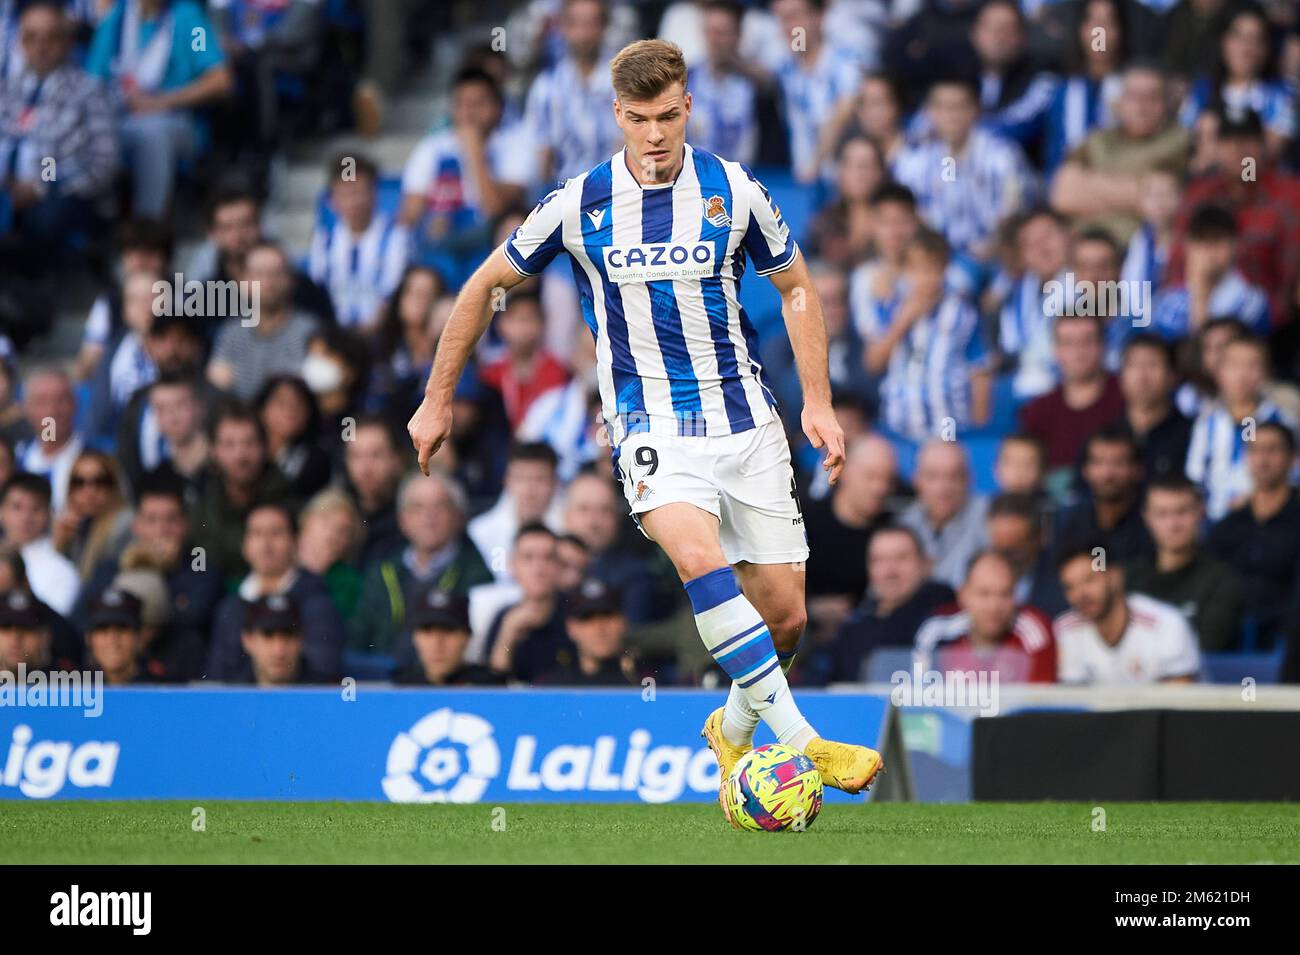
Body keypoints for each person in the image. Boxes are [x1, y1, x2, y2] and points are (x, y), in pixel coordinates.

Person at [408, 38, 880, 806]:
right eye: (639, 118)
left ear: (688, 105)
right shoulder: (579, 203)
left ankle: (731, 730)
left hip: (746, 417)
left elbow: (797, 290)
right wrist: (437, 397)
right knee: (700, 559)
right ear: (617, 114)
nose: (656, 134)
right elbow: (482, 285)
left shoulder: (734, 189)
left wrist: (818, 400)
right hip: (647, 422)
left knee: (786, 619)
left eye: (668, 115)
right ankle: (806, 742)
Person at [0, 1, 117, 265]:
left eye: (50, 37)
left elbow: (104, 165)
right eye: (31, 38)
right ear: (20, 43)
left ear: (67, 41)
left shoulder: (89, 91)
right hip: (6, 190)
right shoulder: (6, 90)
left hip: (60, 194)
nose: (40, 47)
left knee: (47, 217)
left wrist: (42, 186)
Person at [861, 228, 992, 440]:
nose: (926, 279)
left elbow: (979, 371)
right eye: (917, 270)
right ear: (904, 270)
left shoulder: (963, 312)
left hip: (950, 424)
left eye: (933, 269)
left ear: (945, 269)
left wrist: (979, 426)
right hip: (900, 423)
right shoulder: (888, 307)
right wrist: (904, 319)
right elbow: (873, 363)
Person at [349, 470, 492, 655]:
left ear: (458, 516)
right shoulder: (382, 570)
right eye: (417, 507)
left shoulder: (477, 573)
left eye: (439, 506)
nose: (428, 517)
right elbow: (358, 638)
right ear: (402, 519)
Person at [207, 502, 345, 682]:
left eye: (276, 533)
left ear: (294, 542)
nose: (266, 544)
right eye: (257, 533)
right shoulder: (231, 606)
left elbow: (323, 668)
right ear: (244, 545)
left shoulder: (318, 600)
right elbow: (217, 674)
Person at [1206, 420, 1300, 649]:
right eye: (1254, 450)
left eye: (1273, 450)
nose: (1263, 460)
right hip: (1228, 640)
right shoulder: (1226, 527)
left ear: (1293, 459)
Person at [1054, 540, 1201, 684]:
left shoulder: (1165, 624)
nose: (1080, 594)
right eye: (1070, 587)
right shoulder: (1063, 631)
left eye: (1090, 580)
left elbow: (1180, 701)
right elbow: (1066, 701)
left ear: (1115, 577)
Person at [1126, 474, 1243, 652]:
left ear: (1201, 512)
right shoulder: (1130, 578)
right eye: (1162, 514)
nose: (1173, 525)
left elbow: (1208, 646)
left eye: (1182, 512)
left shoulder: (1221, 580)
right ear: (1147, 518)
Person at [825, 524, 955, 683]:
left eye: (901, 558)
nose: (890, 571)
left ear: (925, 564)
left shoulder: (946, 616)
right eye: (879, 561)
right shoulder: (852, 630)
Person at [1186, 334, 1294, 520]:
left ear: (1266, 373)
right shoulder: (1207, 423)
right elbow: (1195, 476)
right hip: (1215, 523)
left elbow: (1294, 472)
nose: (1242, 375)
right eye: (1234, 365)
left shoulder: (1280, 420)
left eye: (1252, 366)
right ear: (1219, 372)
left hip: (1268, 518)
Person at [915, 550, 1056, 683]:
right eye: (984, 594)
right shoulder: (936, 632)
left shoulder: (1035, 632)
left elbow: (1040, 702)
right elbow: (920, 698)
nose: (994, 606)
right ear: (962, 595)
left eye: (1004, 594)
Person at [1018, 314, 1126, 485]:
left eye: (1087, 341)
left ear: (1103, 345)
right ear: (1055, 350)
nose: (1079, 352)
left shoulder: (1128, 398)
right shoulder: (1038, 411)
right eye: (1068, 343)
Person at [206, 241, 320, 402]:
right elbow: (218, 384)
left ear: (291, 280)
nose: (268, 282)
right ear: (242, 282)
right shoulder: (230, 332)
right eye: (259, 274)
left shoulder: (311, 331)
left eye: (276, 273)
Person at [309, 152, 409, 330]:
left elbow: (392, 294)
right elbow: (318, 290)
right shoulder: (323, 240)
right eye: (346, 194)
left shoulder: (396, 237)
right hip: (334, 333)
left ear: (374, 194)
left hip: (381, 334)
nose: (355, 201)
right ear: (333, 200)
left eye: (360, 192)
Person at [1151, 203, 1270, 340]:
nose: (1209, 249)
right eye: (1201, 240)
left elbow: (1213, 355)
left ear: (1235, 245)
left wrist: (1200, 295)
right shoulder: (1167, 302)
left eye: (1217, 239)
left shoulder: (1252, 301)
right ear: (1187, 246)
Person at [1055, 426, 1154, 566]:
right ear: (1085, 470)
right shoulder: (1069, 520)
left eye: (1118, 463)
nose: (1107, 474)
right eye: (1098, 462)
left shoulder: (1151, 523)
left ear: (1137, 470)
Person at [898, 440, 990, 590]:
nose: (943, 487)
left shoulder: (990, 518)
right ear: (916, 480)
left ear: (968, 479)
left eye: (954, 476)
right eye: (932, 477)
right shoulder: (904, 524)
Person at [1111, 334, 1193, 481]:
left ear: (1173, 376)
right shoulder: (1106, 435)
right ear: (1121, 377)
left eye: (1152, 365)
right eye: (1133, 365)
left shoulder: (1191, 436)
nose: (1142, 377)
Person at [0, 472, 78, 615]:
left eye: (36, 509)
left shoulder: (61, 571)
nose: (26, 517)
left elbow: (53, 625)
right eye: (17, 507)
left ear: (49, 514)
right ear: (1, 511)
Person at [537, 577, 638, 686]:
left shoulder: (646, 683)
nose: (599, 628)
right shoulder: (551, 687)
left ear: (623, 622)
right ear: (570, 628)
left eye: (607, 615)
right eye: (587, 618)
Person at [986, 492, 1067, 618]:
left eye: (1015, 548)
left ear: (1040, 537)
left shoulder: (1063, 583)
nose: (1006, 559)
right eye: (999, 549)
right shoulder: (979, 577)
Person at [236, 593, 329, 686]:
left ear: (301, 639)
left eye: (288, 635)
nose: (279, 651)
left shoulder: (329, 692)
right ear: (248, 640)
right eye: (268, 635)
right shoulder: (229, 690)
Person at [84, 588, 156, 685]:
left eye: (122, 629)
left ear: (139, 637)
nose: (112, 640)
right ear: (89, 638)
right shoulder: (72, 691)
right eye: (103, 630)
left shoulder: (163, 689)